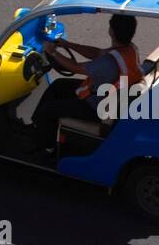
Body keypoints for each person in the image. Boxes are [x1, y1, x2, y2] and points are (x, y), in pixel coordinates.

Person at [30, 13, 143, 147]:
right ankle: (37, 127)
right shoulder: (129, 49)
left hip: (95, 108)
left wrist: (52, 52)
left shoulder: (108, 63)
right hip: (109, 96)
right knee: (59, 85)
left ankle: (44, 146)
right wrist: (68, 44)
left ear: (111, 30)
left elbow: (76, 68)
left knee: (46, 111)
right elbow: (97, 53)